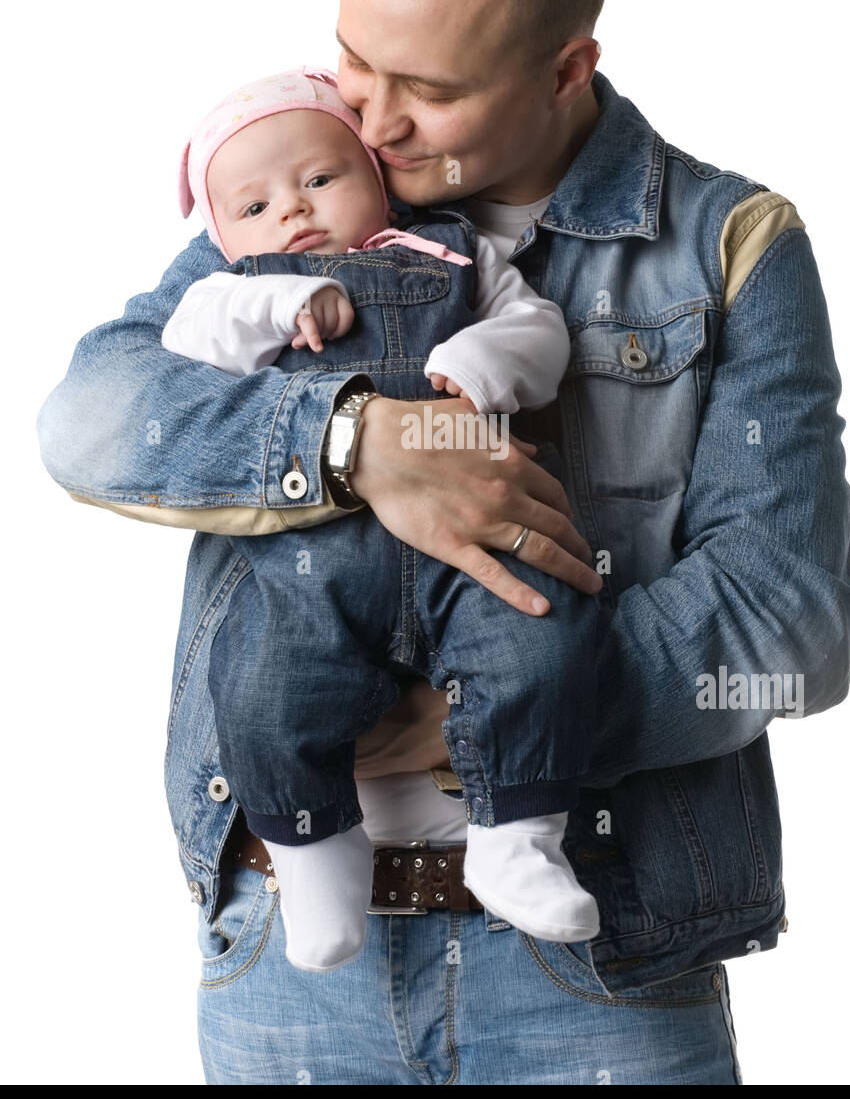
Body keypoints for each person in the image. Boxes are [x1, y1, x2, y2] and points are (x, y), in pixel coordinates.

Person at [36, 0, 850, 1085]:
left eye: (425, 90)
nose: (370, 119)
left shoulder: (726, 244)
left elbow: (792, 626)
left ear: (563, 69)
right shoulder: (303, 193)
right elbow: (92, 416)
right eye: (355, 60)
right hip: (287, 952)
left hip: (601, 963)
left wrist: (486, 720)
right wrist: (356, 441)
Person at [159, 61, 603, 971]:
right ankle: (316, 857)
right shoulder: (227, 290)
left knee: (540, 637)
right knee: (258, 689)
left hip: (466, 551)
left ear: (373, 172)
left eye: (320, 178)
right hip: (309, 570)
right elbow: (183, 347)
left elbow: (540, 330)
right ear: (222, 237)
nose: (293, 211)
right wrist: (275, 301)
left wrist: (482, 367)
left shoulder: (452, 252)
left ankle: (516, 839)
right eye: (253, 207)